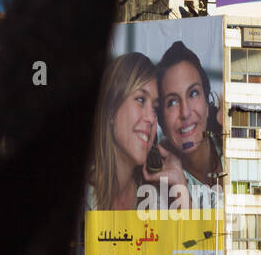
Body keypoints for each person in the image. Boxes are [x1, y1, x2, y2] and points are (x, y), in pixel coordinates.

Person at [86, 52, 188, 210]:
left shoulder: (155, 199)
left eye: (155, 108)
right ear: (111, 110)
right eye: (140, 100)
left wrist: (181, 189)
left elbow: (196, 235)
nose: (151, 118)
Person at [155, 40, 225, 207]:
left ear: (207, 104)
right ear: (161, 122)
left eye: (193, 93)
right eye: (172, 102)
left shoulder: (230, 141)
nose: (185, 113)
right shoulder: (161, 186)